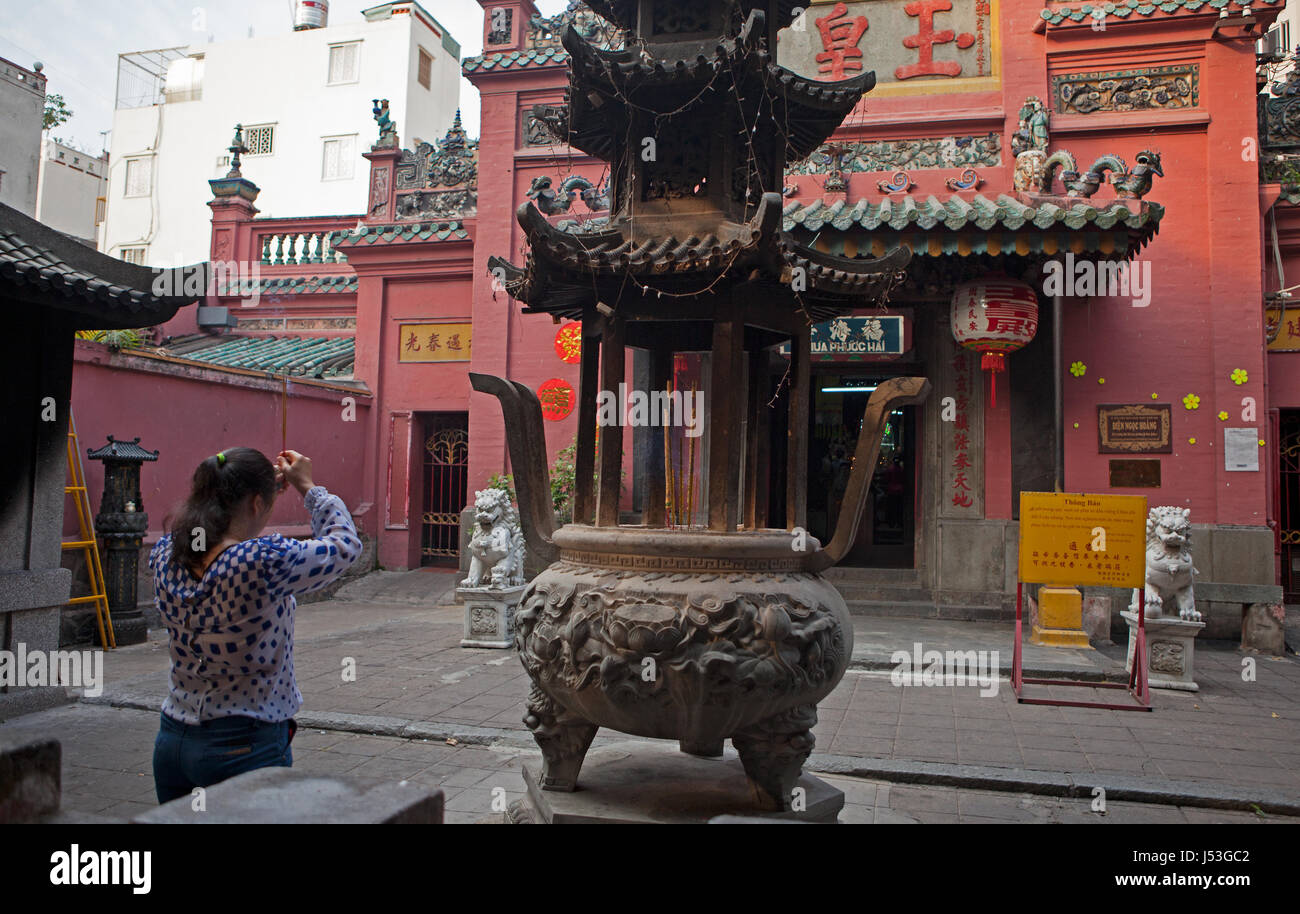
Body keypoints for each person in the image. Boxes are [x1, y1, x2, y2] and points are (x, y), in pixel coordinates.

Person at [148, 447, 361, 804]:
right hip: (244, 744)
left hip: (173, 738)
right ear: (257, 503)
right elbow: (344, 547)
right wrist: (309, 487)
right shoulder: (260, 561)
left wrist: (261, 491)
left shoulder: (165, 553)